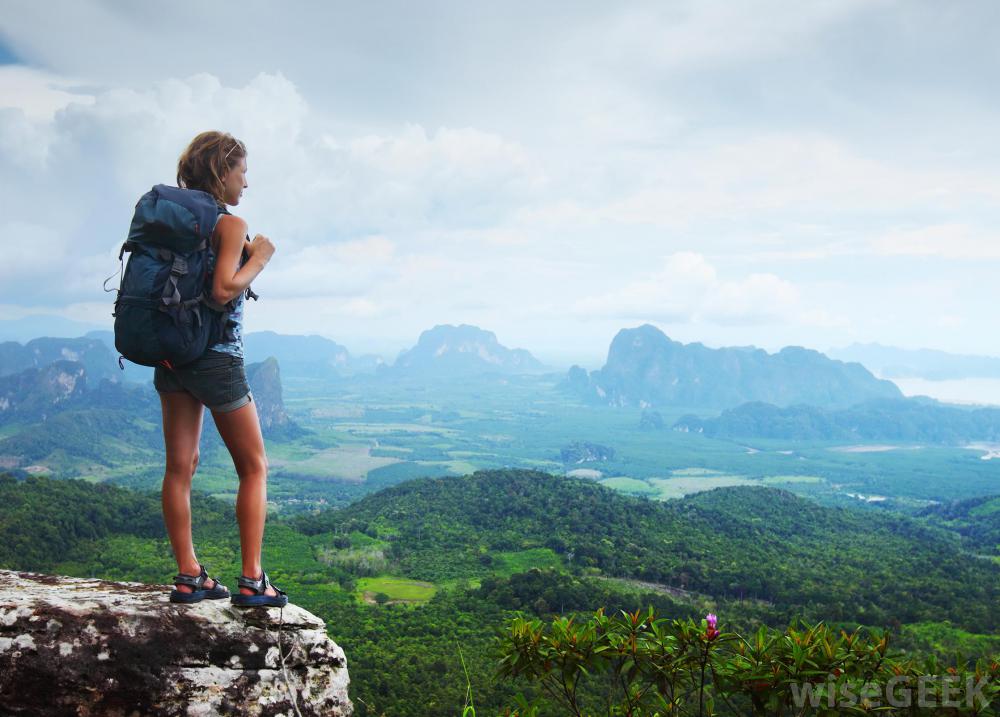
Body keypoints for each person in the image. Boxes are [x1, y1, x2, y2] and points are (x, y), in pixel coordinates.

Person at [155, 131, 286, 607]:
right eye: (242, 171)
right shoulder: (229, 224)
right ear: (221, 171)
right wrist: (261, 259)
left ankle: (189, 575)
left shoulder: (170, 223)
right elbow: (223, 290)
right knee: (254, 466)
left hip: (170, 352)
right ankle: (253, 580)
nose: (246, 182)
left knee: (180, 466)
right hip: (215, 356)